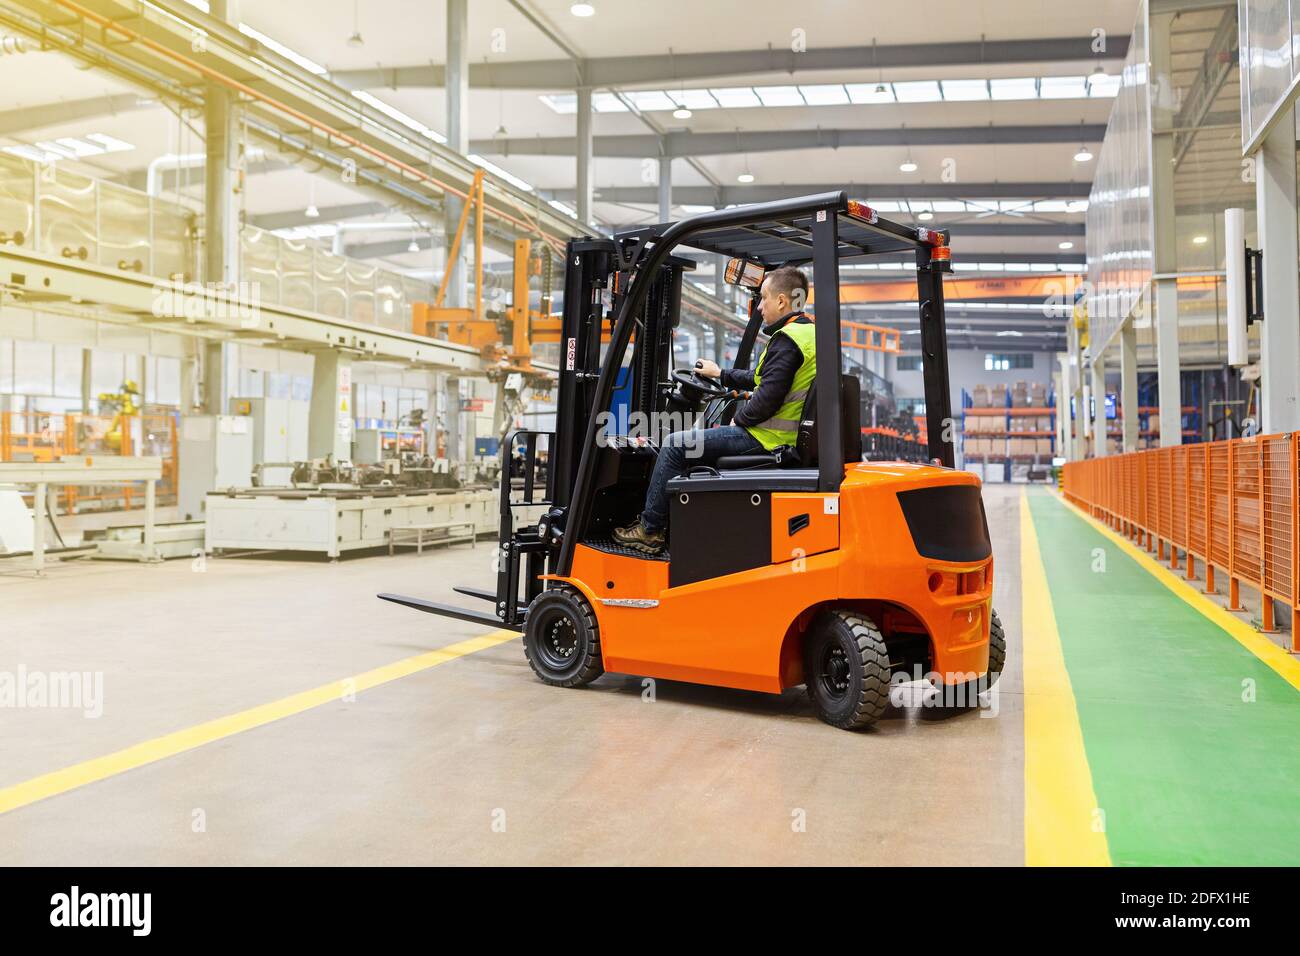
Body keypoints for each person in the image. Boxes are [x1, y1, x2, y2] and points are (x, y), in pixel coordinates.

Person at [612, 265, 816, 555]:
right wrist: (719, 374)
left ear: (782, 301)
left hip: (766, 439)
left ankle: (650, 529)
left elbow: (768, 399)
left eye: (763, 299)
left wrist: (738, 420)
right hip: (779, 438)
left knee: (673, 445)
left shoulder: (787, 340)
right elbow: (762, 379)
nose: (760, 307)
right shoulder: (808, 335)